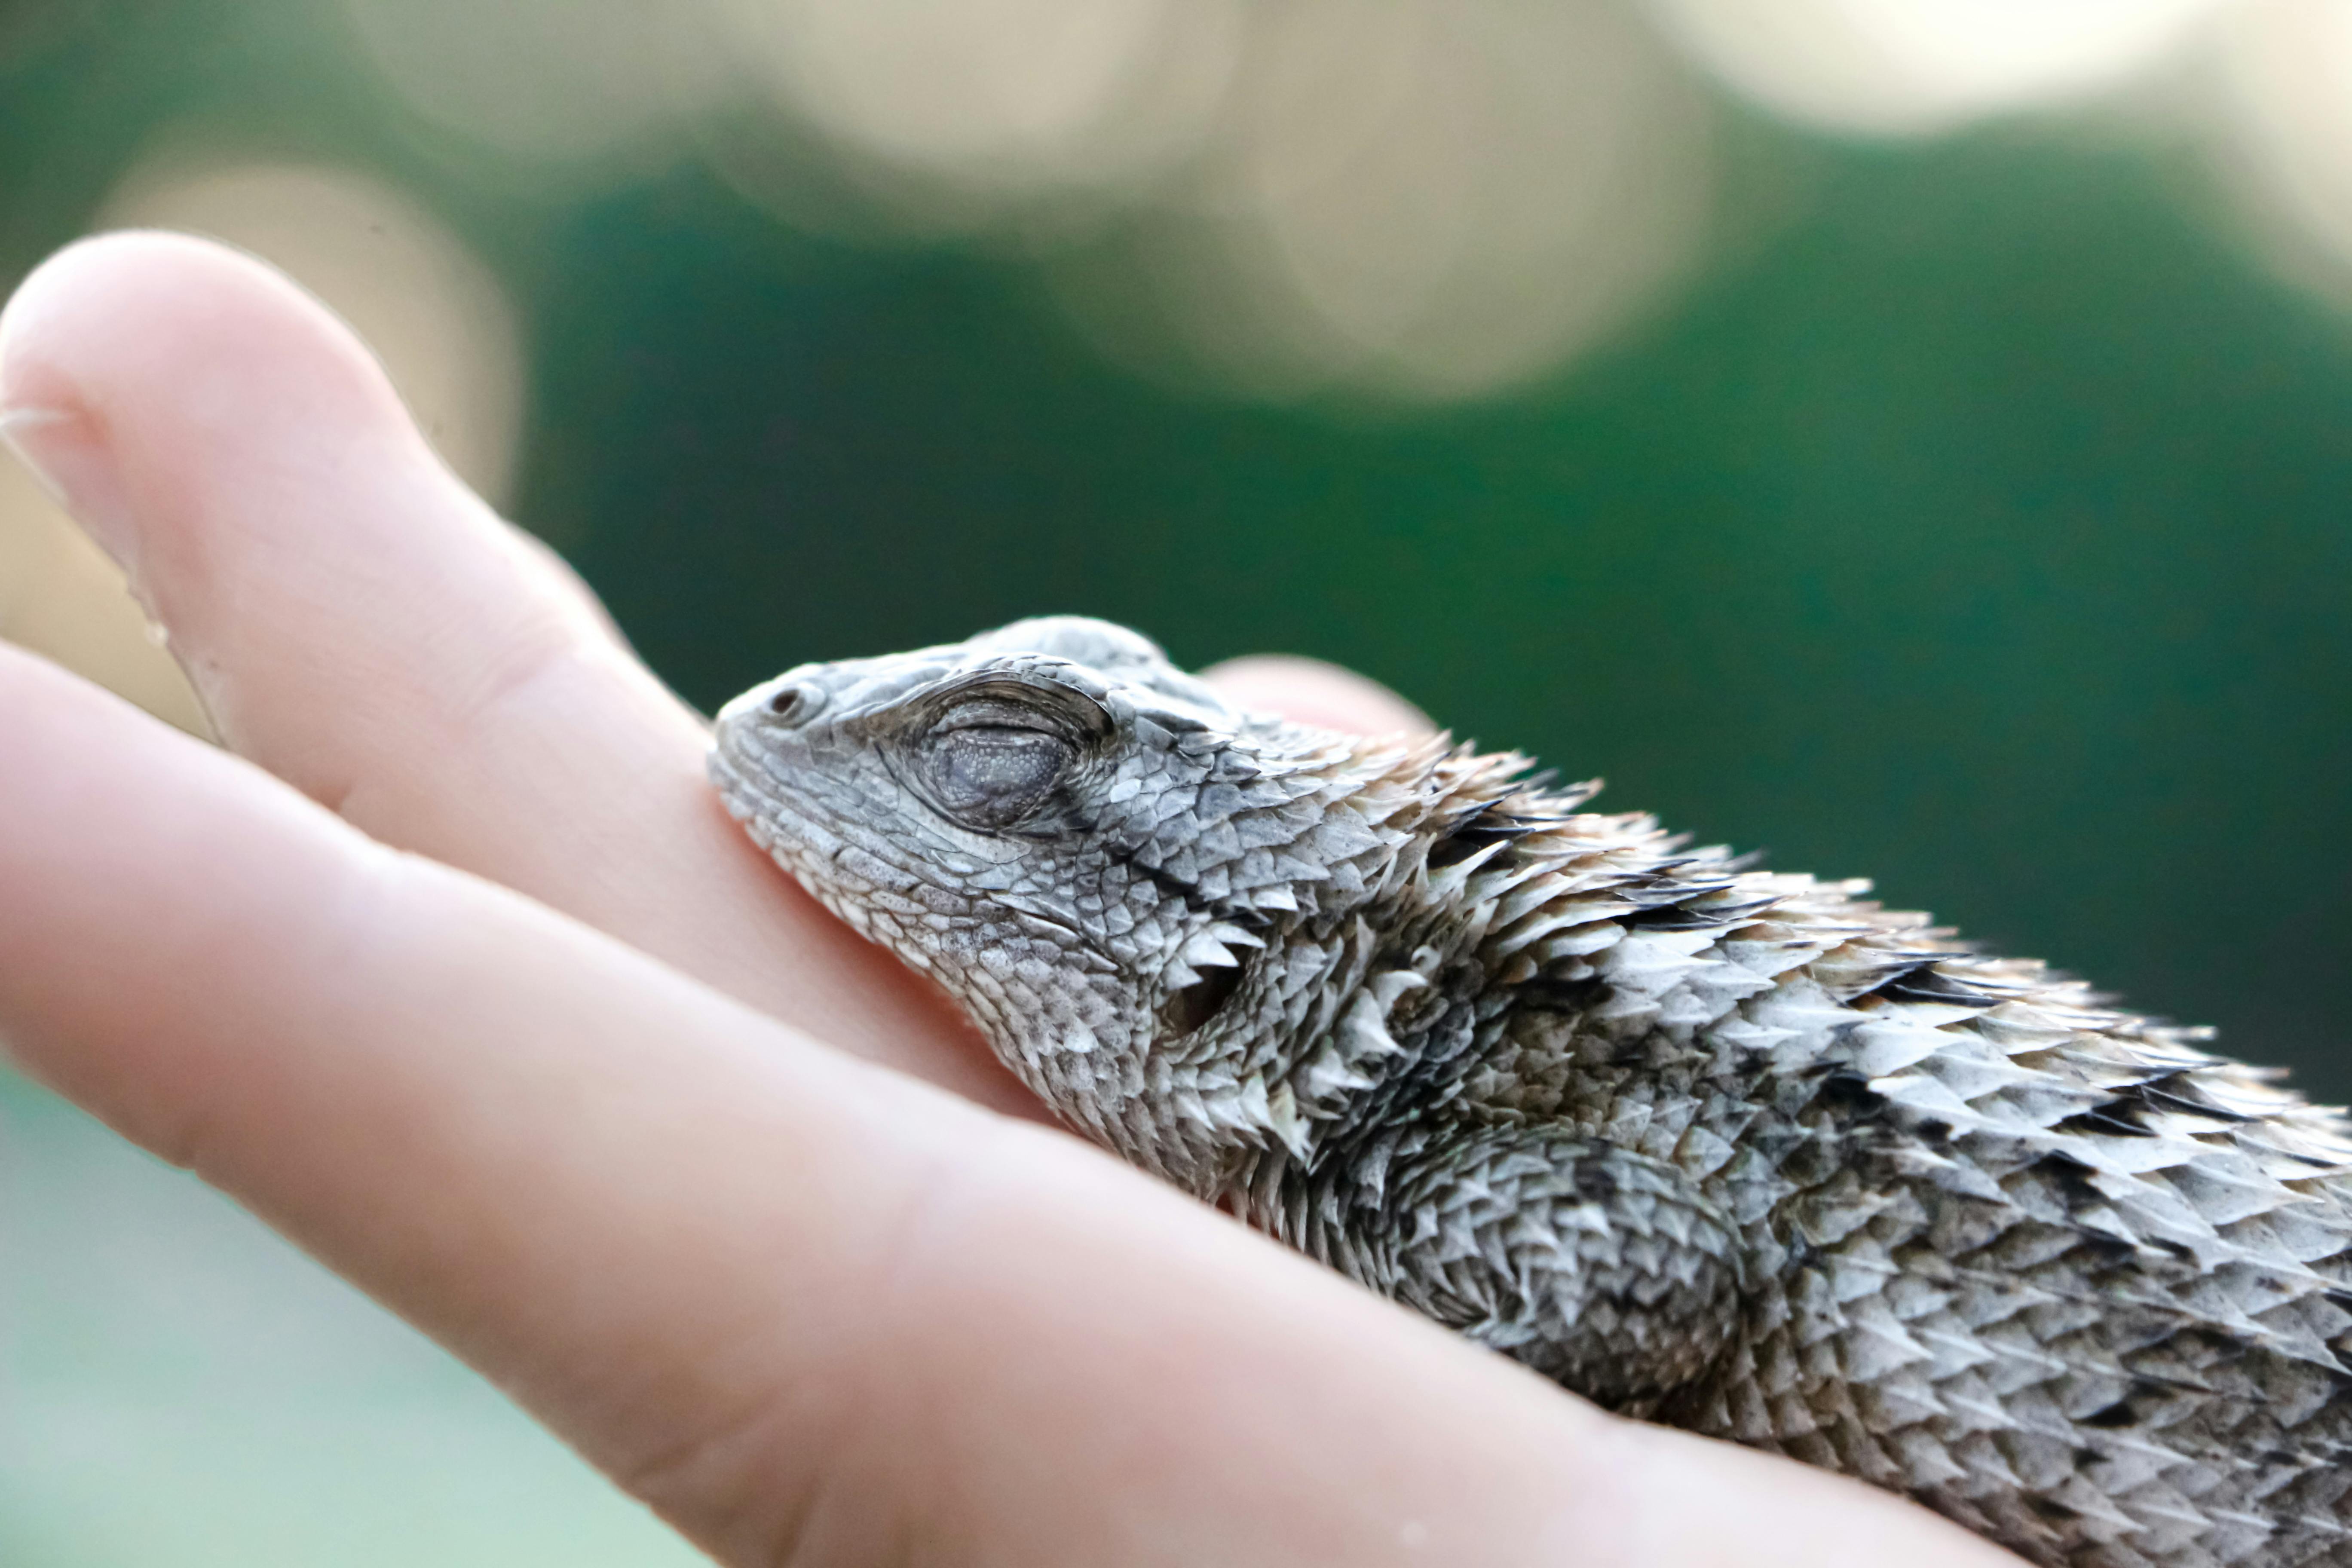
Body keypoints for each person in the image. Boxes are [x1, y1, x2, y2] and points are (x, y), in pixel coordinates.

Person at [0, 233, 2011, 1568]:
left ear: (1239, 952)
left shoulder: (1487, 1083)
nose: (794, 719)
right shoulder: (1399, 1061)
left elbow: (1646, 1276)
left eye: (989, 772)